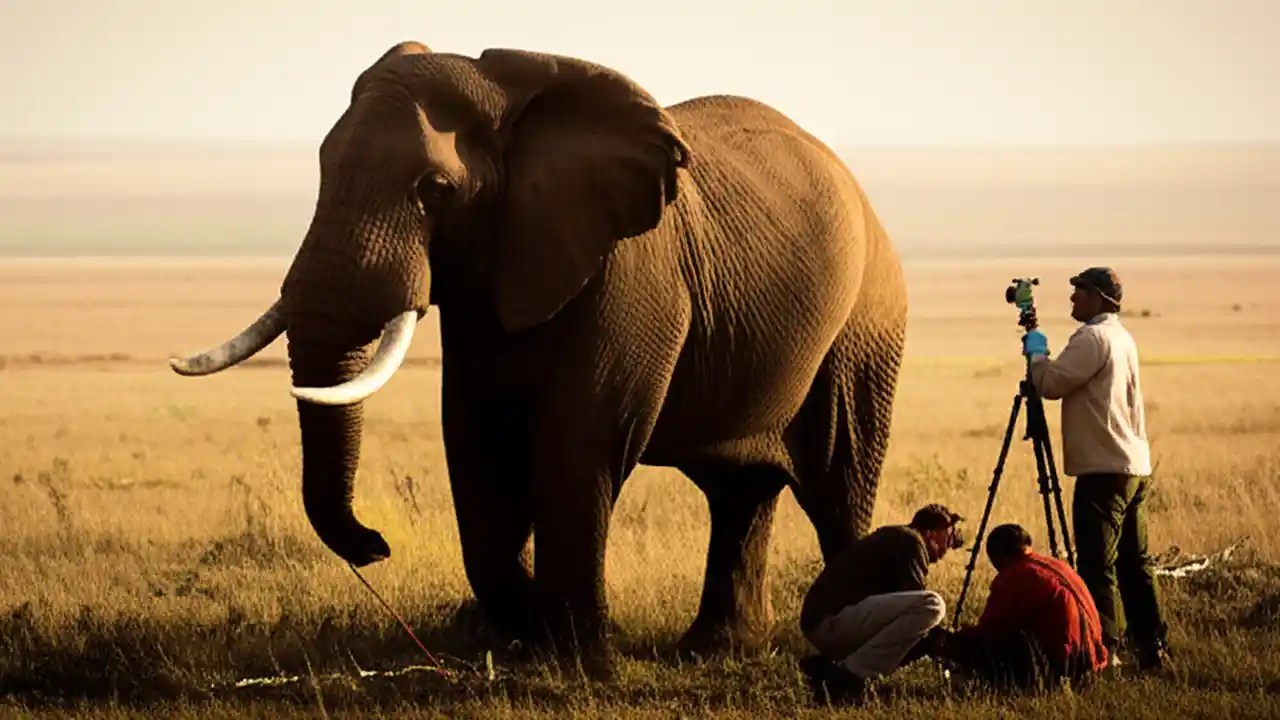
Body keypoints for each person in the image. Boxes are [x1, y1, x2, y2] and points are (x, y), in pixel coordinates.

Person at [1021, 266, 1170, 670]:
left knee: (1096, 564)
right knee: (1134, 562)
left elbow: (1050, 385)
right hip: (1133, 465)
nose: (1072, 299)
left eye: (1080, 293)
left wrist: (1036, 351)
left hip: (1103, 469)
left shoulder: (1093, 338)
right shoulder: (1121, 336)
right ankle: (1151, 644)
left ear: (1101, 299)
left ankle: (1104, 649)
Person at [797, 503, 965, 704]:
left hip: (829, 624)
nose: (947, 548)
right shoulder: (911, 542)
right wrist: (951, 644)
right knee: (932, 605)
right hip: (832, 622)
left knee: (918, 626)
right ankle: (847, 677)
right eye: (947, 538)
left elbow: (904, 623)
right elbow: (917, 606)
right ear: (931, 532)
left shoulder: (897, 539)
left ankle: (830, 669)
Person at [938, 523, 1109, 690]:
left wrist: (954, 640)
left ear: (999, 556)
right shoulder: (1058, 565)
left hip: (1064, 667)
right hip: (1091, 660)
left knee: (973, 643)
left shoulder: (1016, 576)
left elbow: (990, 629)